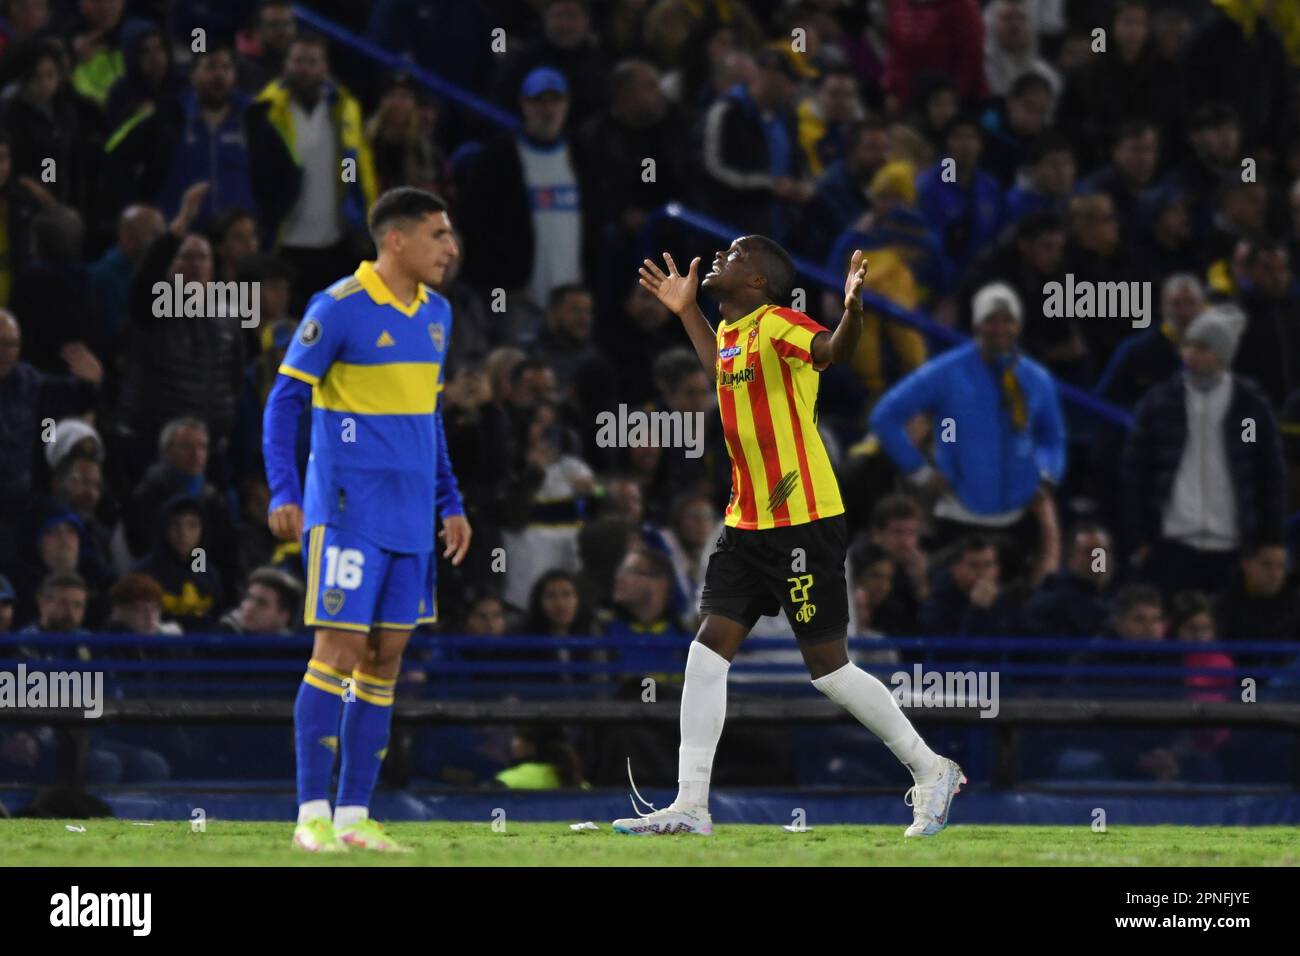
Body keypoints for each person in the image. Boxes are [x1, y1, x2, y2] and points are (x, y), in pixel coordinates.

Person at [613, 236, 965, 839]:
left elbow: (830, 350)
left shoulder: (778, 323)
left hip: (803, 521)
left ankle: (932, 770)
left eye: (737, 254)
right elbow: (717, 368)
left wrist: (852, 312)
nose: (722, 257)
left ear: (758, 283)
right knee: (706, 652)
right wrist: (686, 313)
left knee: (828, 670)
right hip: (745, 523)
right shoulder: (732, 336)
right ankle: (691, 806)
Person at [262, 187, 471, 853]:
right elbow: (283, 401)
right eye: (438, 235)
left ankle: (353, 818)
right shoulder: (339, 308)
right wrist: (284, 491)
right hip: (348, 510)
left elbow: (427, 419)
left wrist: (452, 502)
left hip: (412, 521)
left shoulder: (438, 314)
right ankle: (310, 815)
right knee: (339, 651)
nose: (451, 248)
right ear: (397, 240)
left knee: (385, 660)